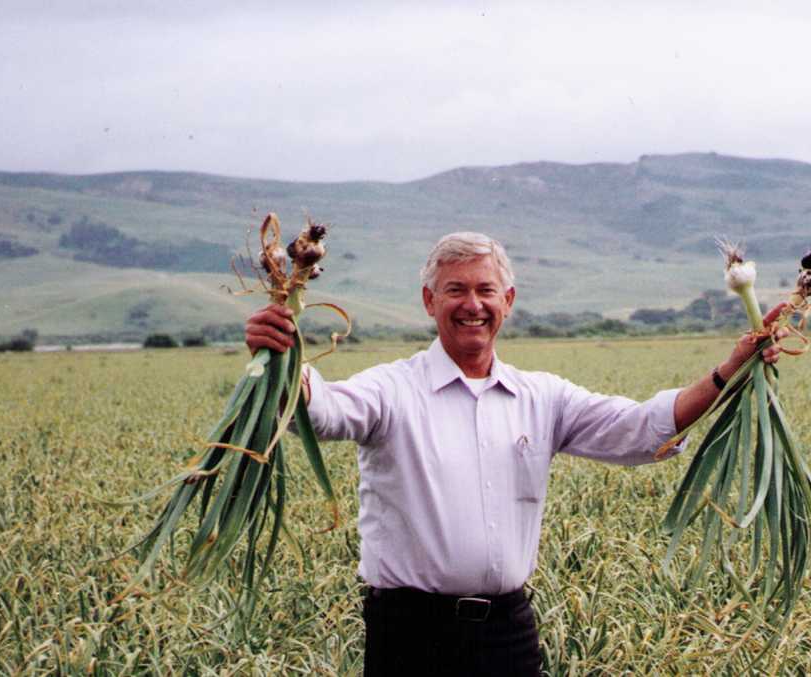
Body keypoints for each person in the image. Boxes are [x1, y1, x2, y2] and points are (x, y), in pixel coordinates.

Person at [245, 232, 783, 676]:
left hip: (508, 632)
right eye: (455, 290)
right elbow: (326, 412)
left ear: (509, 301)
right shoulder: (392, 390)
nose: (472, 305)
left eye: (486, 290)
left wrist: (728, 370)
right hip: (411, 635)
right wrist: (284, 363)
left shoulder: (542, 397)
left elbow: (640, 429)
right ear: (430, 301)